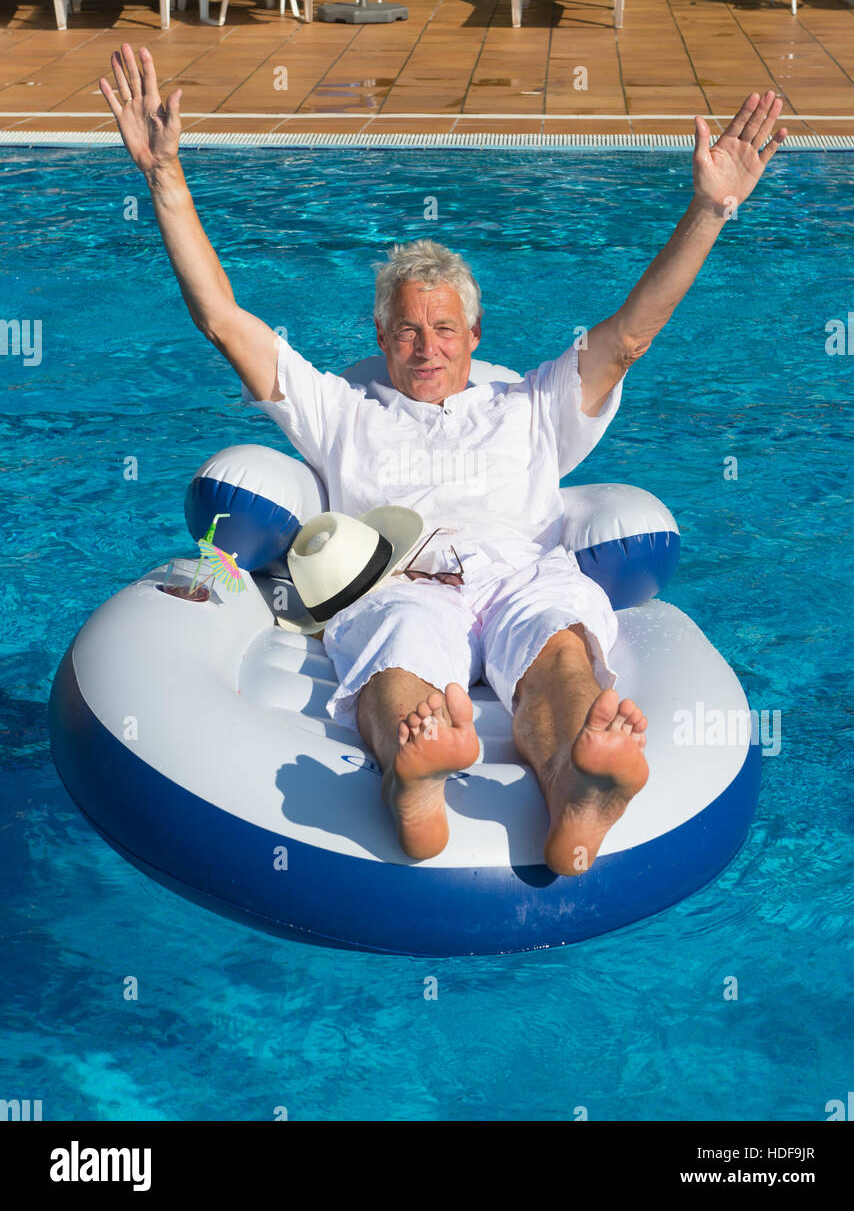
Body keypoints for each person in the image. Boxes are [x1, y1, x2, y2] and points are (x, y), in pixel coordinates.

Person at [100, 44, 786, 876]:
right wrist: (164, 175)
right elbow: (223, 320)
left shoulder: (532, 404)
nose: (426, 347)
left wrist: (710, 210)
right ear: (380, 341)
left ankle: (578, 784)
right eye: (406, 331)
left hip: (521, 574)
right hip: (401, 580)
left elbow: (631, 335)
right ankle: (412, 780)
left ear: (474, 337)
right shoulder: (340, 409)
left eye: (444, 328)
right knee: (396, 641)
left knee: (556, 645)